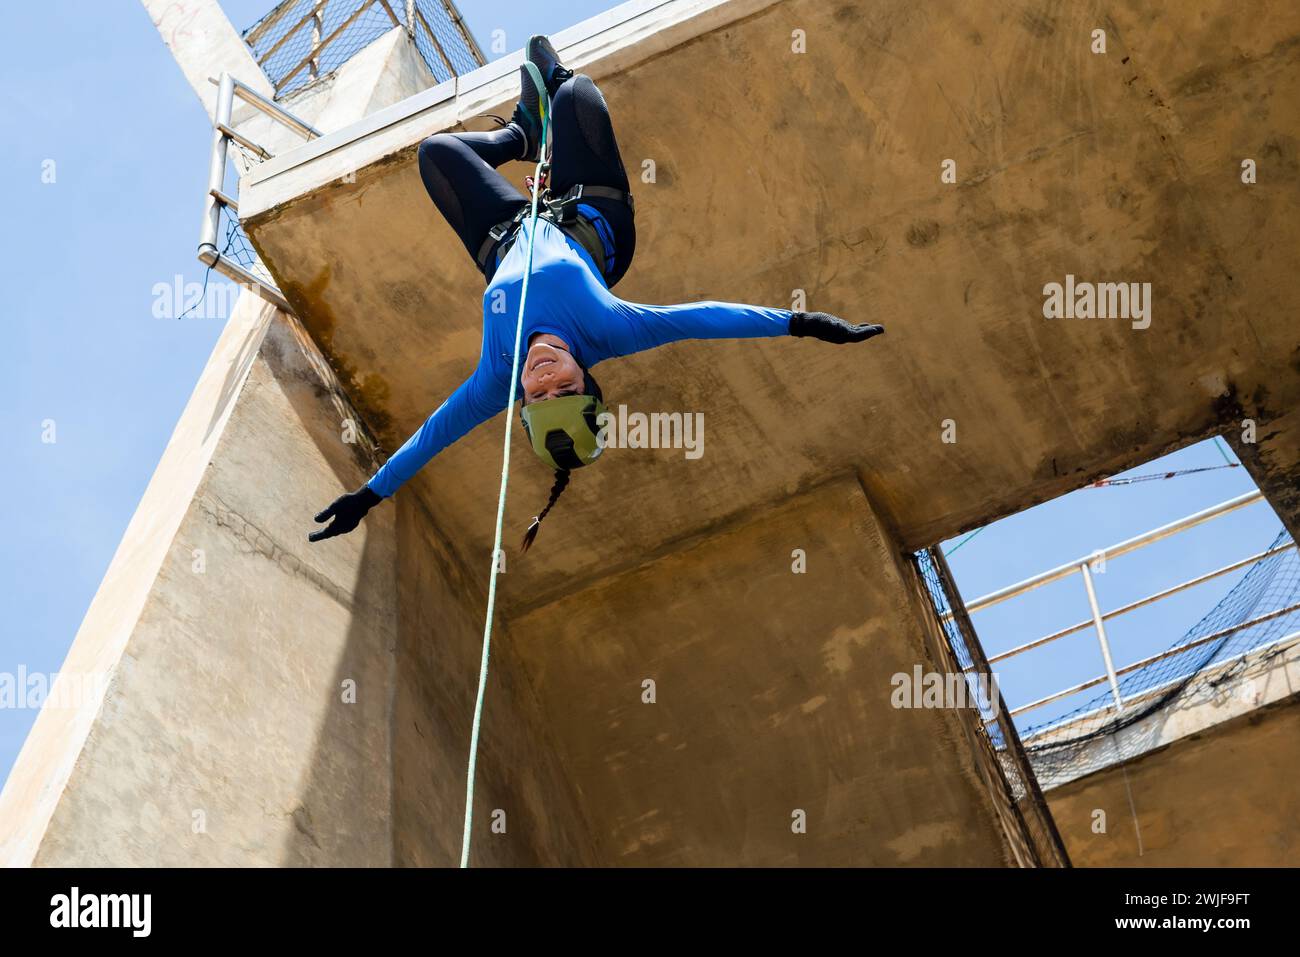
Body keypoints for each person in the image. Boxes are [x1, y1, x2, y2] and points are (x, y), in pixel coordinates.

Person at [310, 36, 883, 551]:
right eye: (565, 385)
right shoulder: (611, 329)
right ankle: (547, 119)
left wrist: (368, 496)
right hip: (592, 218)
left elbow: (433, 435)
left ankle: (520, 137)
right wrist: (804, 324)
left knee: (437, 155)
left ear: (523, 403)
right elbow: (705, 318)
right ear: (587, 378)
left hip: (507, 236)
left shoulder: (499, 376)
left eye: (539, 394)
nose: (544, 375)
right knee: (573, 94)